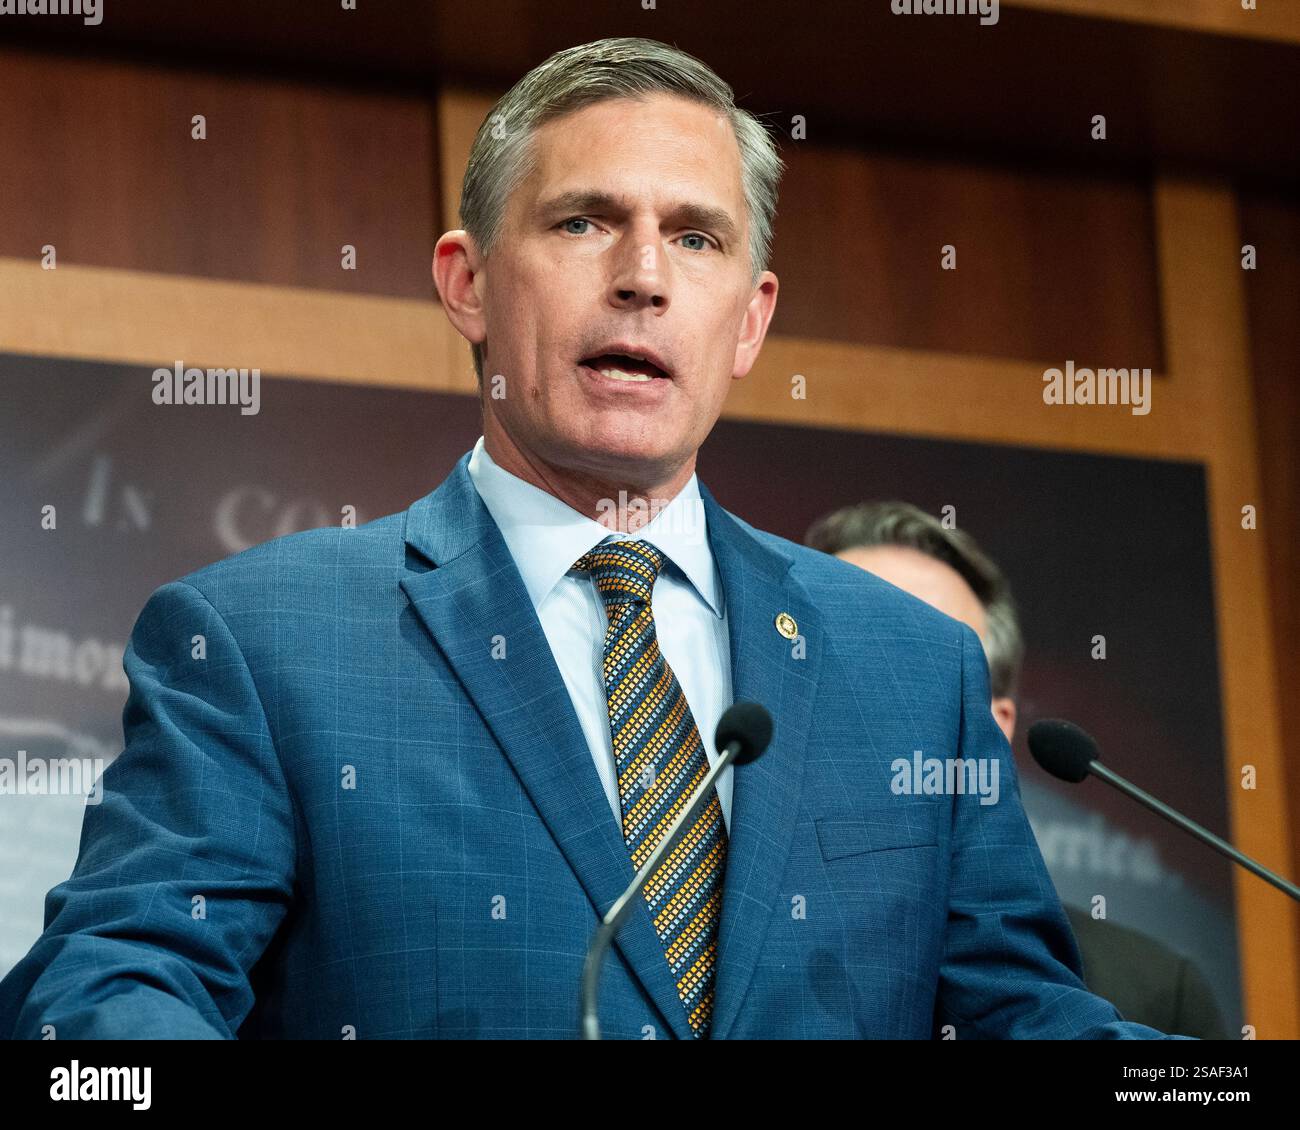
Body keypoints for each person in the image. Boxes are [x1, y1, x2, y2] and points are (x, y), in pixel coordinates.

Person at [0, 37, 1190, 1040]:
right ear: (466, 284)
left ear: (750, 319)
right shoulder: (263, 643)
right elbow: (113, 989)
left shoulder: (908, 666)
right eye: (582, 221)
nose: (641, 278)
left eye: (697, 237)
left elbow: (1020, 1012)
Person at [805, 499, 1228, 1039]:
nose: (874, 694)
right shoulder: (723, 921)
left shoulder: (1152, 988)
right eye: (847, 651)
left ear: (995, 725)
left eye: (918, 667)